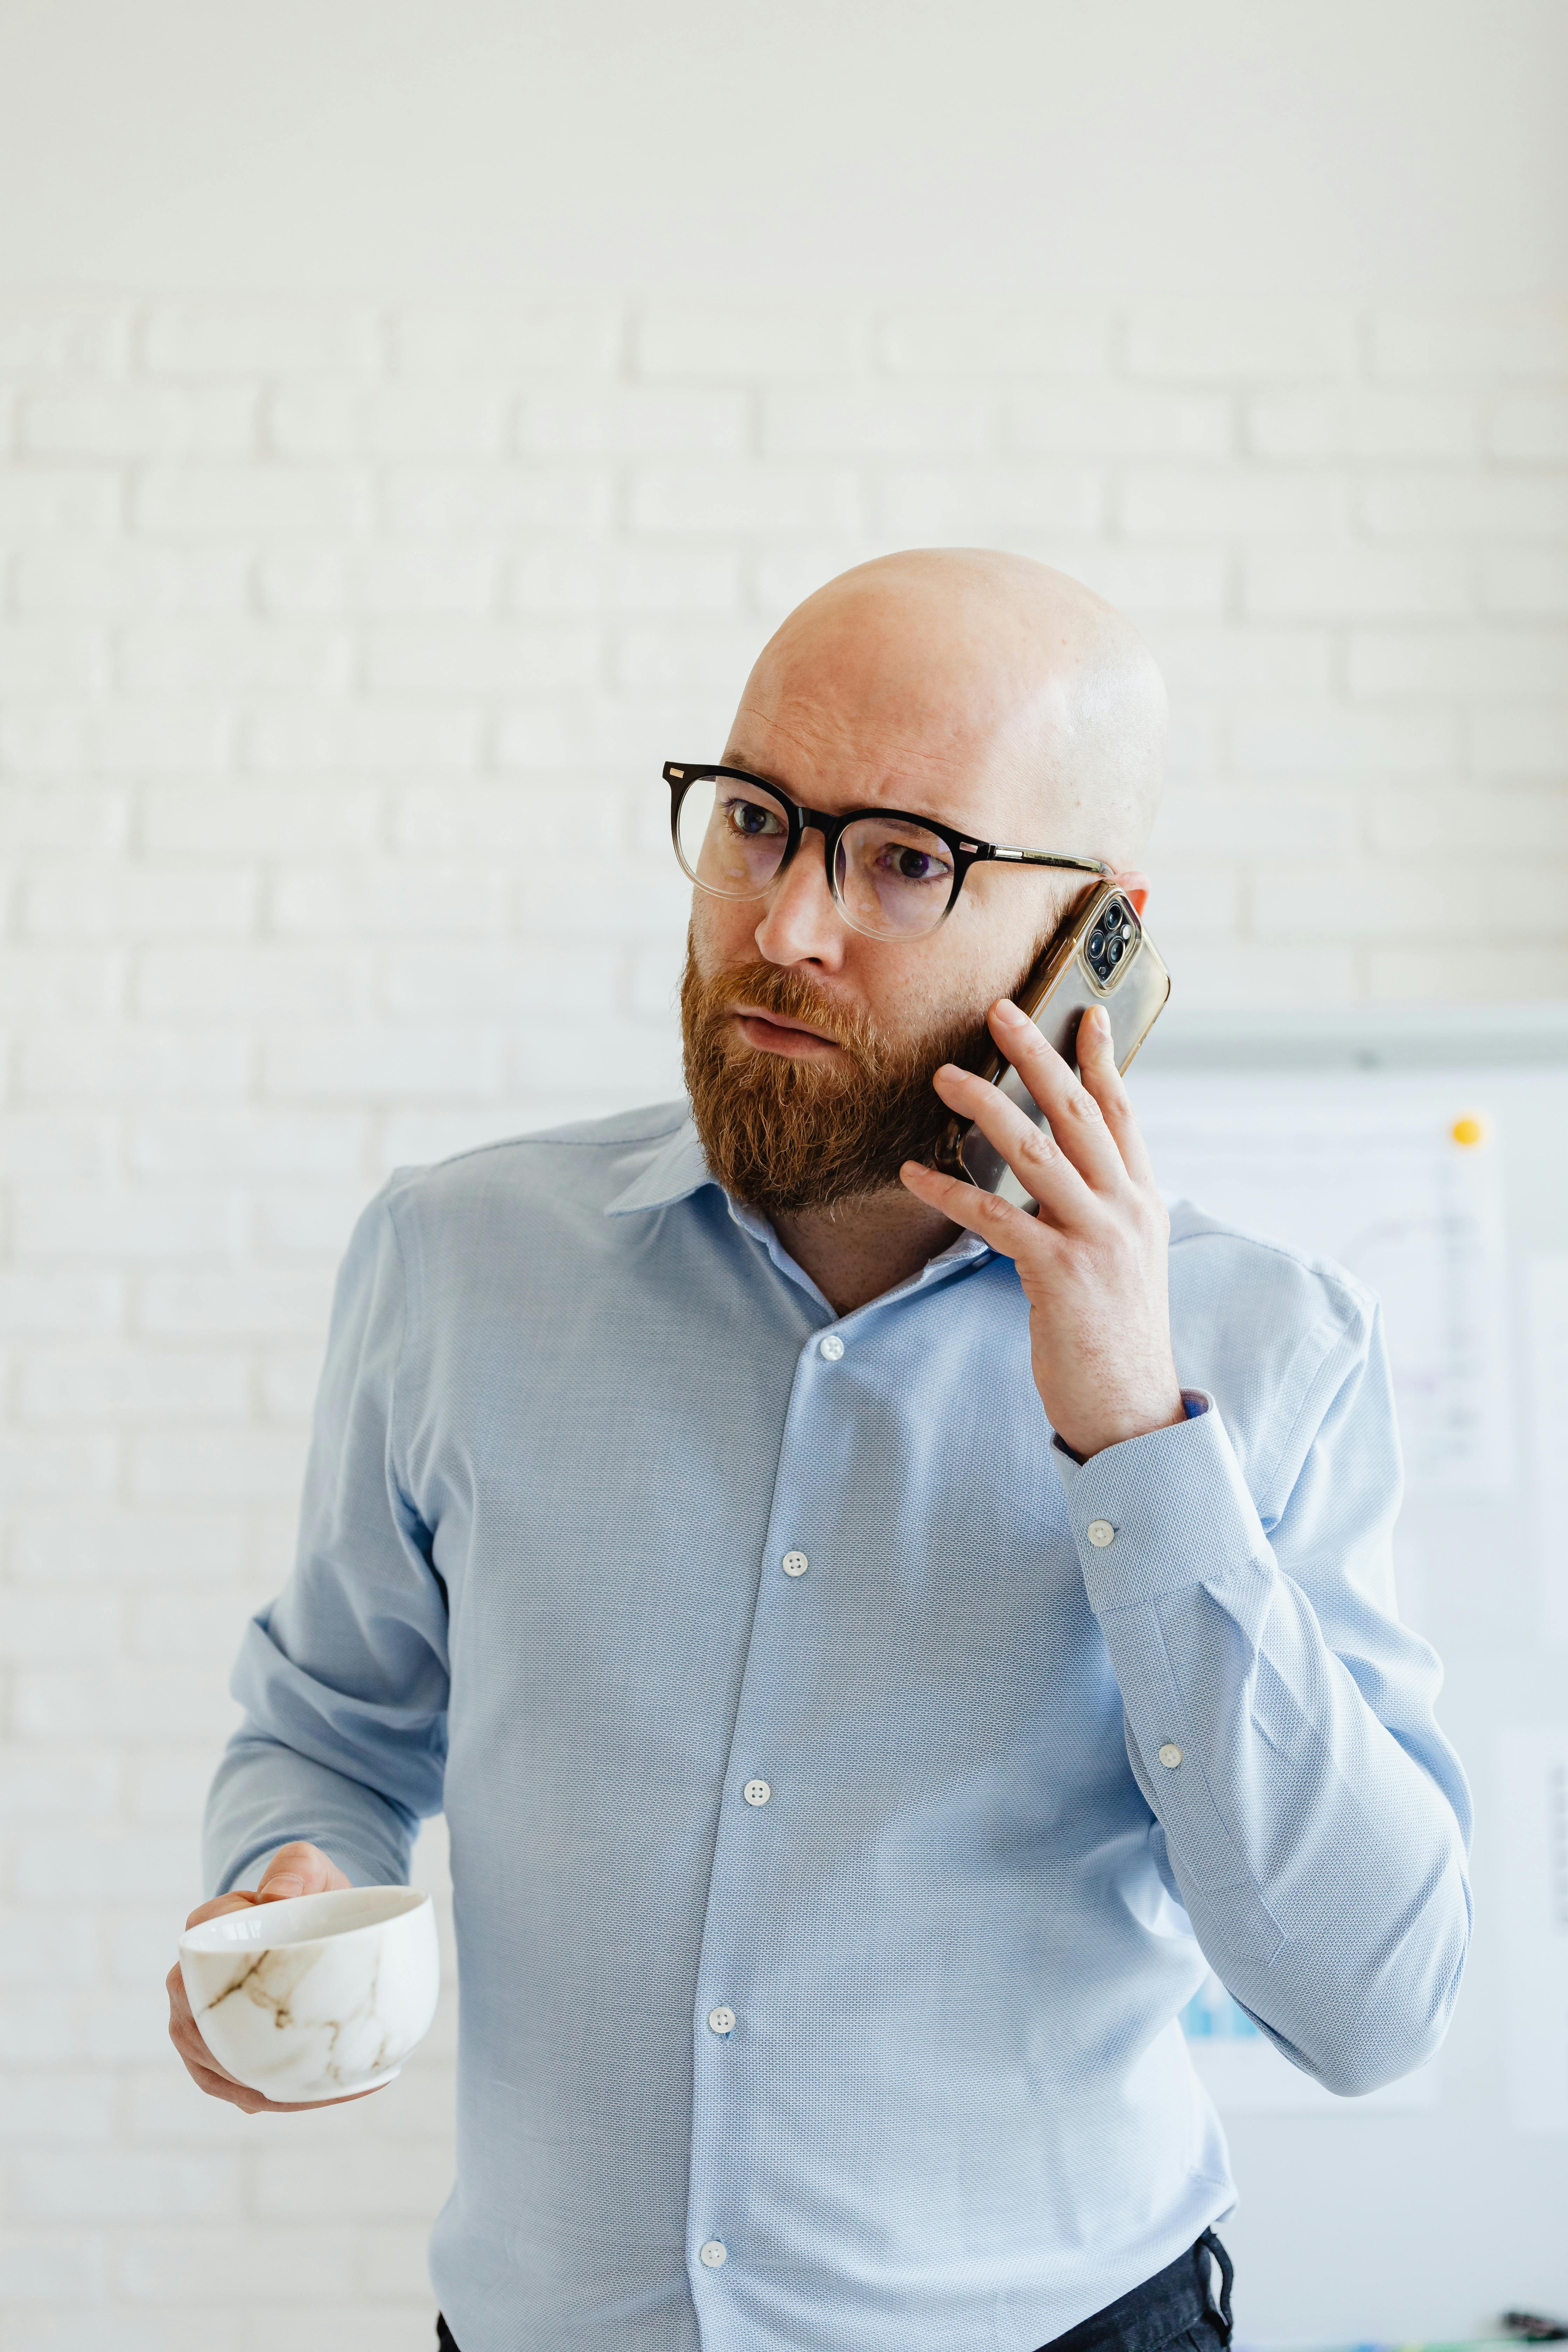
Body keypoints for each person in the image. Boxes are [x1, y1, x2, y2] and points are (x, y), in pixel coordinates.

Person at [168, 550, 1471, 2352]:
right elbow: (327, 1727)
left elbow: (1370, 2001)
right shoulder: (456, 1263)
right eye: (758, 820)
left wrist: (1135, 1444)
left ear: (1095, 932)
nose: (785, 925)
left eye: (905, 859)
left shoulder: (1271, 1353)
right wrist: (287, 1874)